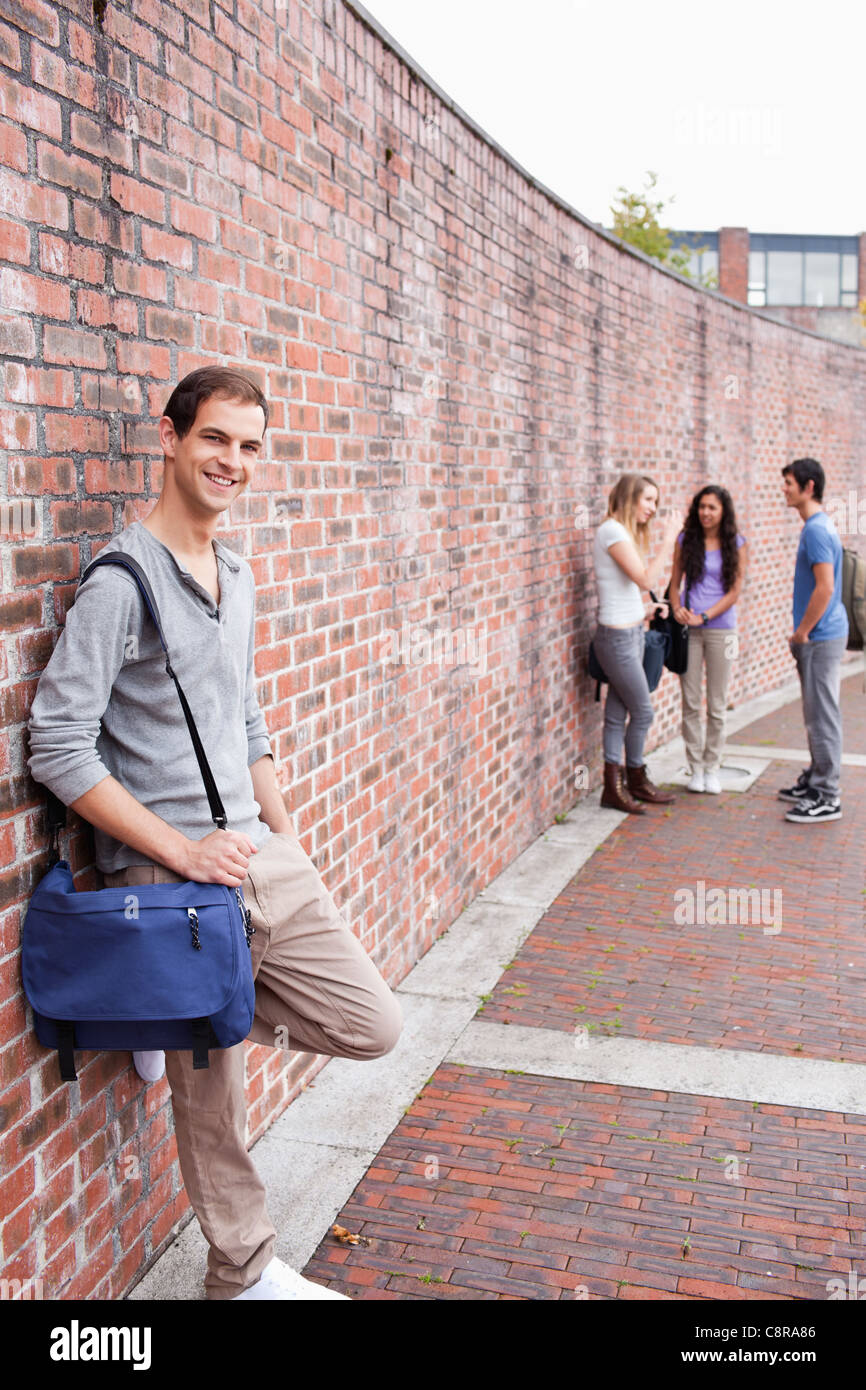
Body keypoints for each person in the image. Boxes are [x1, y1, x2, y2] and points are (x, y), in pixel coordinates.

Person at [27, 367, 404, 1300]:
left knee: (375, 1025)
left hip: (259, 858)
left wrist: (287, 834)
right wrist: (182, 851)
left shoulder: (236, 571)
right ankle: (241, 1274)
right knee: (218, 1105)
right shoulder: (123, 580)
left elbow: (246, 722)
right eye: (215, 439)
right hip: (174, 887)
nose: (231, 461)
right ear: (170, 437)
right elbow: (58, 743)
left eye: (248, 445)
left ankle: (166, 1013)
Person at [592, 472, 682, 814]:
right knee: (643, 712)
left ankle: (616, 789)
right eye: (648, 499)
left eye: (656, 502)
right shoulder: (612, 530)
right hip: (616, 640)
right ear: (630, 497)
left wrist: (645, 611)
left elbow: (623, 590)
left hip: (630, 633)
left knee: (617, 715)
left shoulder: (621, 533)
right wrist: (669, 538)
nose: (653, 508)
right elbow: (644, 578)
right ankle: (634, 779)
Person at [777, 457, 848, 823]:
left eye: (789, 482)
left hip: (820, 636)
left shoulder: (817, 530)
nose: (784, 489)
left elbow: (825, 587)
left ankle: (827, 795)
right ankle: (816, 779)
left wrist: (802, 631)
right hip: (821, 634)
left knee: (822, 715)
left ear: (809, 487)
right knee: (814, 712)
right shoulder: (816, 526)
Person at [669, 485, 748, 794]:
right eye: (702, 507)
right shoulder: (685, 541)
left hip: (722, 629)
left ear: (723, 511)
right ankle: (695, 768)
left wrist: (705, 616)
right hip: (689, 629)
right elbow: (674, 583)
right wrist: (677, 610)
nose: (705, 513)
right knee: (689, 701)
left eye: (712, 507)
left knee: (716, 703)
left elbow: (735, 592)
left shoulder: (737, 544)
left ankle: (712, 767)